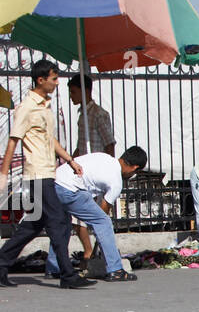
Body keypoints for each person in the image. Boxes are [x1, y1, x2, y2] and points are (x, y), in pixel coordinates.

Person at [0, 60, 93, 289]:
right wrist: (3, 173)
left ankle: (1, 264)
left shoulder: (44, 107)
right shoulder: (27, 107)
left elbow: (49, 140)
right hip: (36, 176)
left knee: (32, 226)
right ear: (41, 80)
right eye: (53, 78)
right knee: (59, 221)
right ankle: (67, 274)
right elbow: (14, 140)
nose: (56, 82)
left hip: (46, 173)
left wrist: (70, 160)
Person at [44, 146, 147, 283]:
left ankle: (53, 268)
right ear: (134, 167)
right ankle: (115, 270)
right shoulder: (116, 181)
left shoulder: (104, 157)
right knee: (103, 222)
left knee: (62, 223)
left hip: (54, 182)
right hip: (70, 188)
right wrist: (101, 239)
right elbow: (102, 212)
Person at [69, 72, 117, 270]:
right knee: (76, 216)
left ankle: (99, 254)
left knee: (97, 216)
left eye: (73, 91)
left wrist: (109, 170)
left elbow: (109, 144)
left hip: (97, 175)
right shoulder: (83, 116)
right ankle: (89, 251)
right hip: (82, 173)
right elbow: (81, 146)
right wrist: (69, 160)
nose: (71, 96)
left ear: (85, 90)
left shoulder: (99, 114)